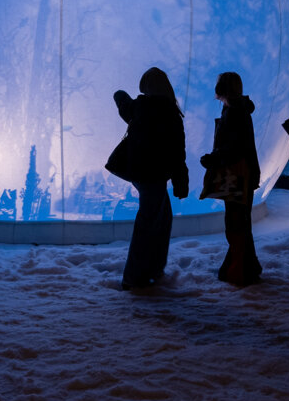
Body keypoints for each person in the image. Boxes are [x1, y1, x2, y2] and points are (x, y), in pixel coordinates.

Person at [111, 67, 189, 290]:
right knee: (152, 224)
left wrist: (119, 95)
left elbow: (124, 107)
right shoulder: (170, 113)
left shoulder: (140, 107)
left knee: (158, 220)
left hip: (140, 174)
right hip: (155, 176)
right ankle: (137, 276)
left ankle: (147, 271)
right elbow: (177, 151)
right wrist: (180, 181)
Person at [199, 72, 262, 286]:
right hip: (244, 174)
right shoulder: (238, 109)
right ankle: (246, 267)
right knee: (240, 221)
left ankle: (241, 271)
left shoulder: (234, 112)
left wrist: (212, 159)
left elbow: (233, 148)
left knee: (236, 223)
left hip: (236, 175)